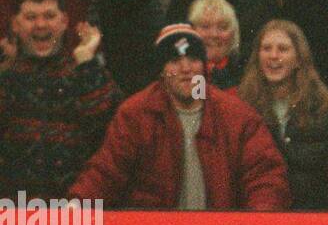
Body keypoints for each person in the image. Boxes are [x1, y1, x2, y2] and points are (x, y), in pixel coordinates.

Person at [70, 25, 291, 210]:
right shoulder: (136, 114)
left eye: (193, 59)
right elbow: (106, 172)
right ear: (161, 70)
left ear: (204, 66)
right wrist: (77, 206)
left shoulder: (237, 115)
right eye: (175, 61)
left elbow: (265, 177)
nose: (186, 69)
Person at [0, 0, 120, 199]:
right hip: (12, 211)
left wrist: (87, 61)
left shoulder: (84, 71)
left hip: (74, 207)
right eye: (30, 17)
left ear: (64, 21)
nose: (40, 24)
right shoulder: (6, 78)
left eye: (49, 16)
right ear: (15, 25)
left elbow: (106, 124)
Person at [238, 19, 328, 209]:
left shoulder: (324, 108)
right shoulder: (242, 108)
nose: (273, 56)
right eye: (266, 49)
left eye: (282, 49)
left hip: (312, 221)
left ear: (299, 58)